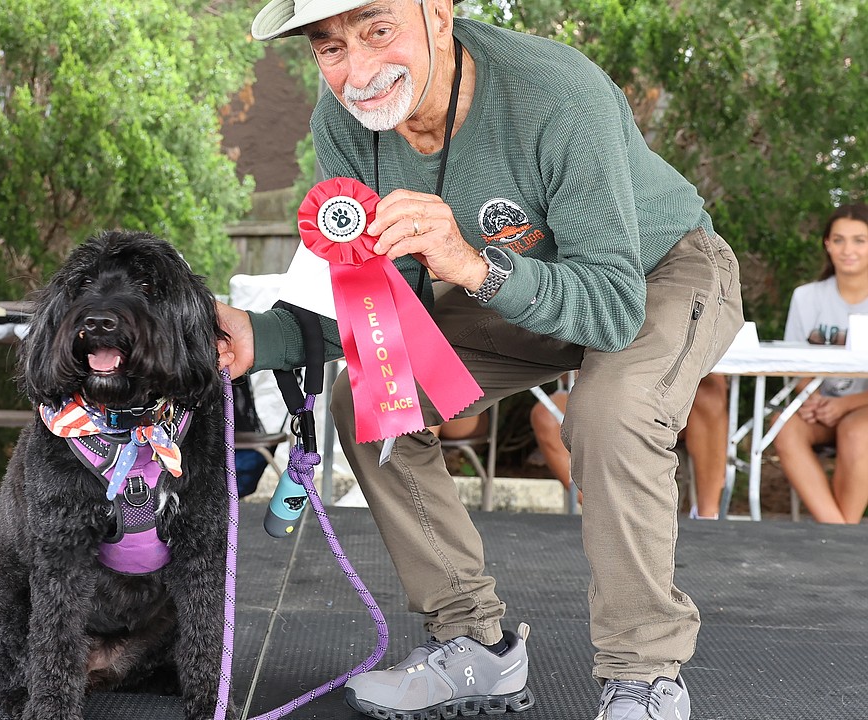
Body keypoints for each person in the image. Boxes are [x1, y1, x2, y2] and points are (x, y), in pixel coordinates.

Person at [219, 2, 744, 718]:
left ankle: (646, 677)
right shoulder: (344, 123)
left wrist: (472, 267)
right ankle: (473, 646)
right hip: (509, 283)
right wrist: (261, 337)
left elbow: (612, 309)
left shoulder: (557, 93)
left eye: (377, 30)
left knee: (612, 412)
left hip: (655, 273)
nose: (357, 72)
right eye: (329, 46)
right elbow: (381, 307)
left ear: (438, 13)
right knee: (373, 400)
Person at [772, 203, 868, 524]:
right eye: (839, 240)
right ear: (827, 244)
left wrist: (846, 405)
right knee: (782, 425)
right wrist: (810, 397)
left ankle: (839, 531)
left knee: (857, 431)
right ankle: (838, 531)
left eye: (859, 240)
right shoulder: (806, 297)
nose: (848, 250)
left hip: (862, 407)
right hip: (820, 407)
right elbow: (796, 363)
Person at [530, 373, 730, 518]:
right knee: (546, 416)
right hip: (603, 390)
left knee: (710, 391)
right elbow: (565, 372)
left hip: (670, 397)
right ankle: (608, 516)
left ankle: (707, 517)